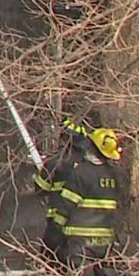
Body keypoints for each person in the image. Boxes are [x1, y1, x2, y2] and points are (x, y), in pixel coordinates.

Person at [53, 124, 125, 276]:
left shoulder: (81, 173)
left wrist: (56, 230)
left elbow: (66, 205)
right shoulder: (115, 175)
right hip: (106, 237)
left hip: (80, 237)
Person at [32, 113, 93, 265]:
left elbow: (40, 188)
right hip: (87, 225)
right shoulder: (91, 165)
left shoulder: (56, 161)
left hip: (58, 225)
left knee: (52, 262)